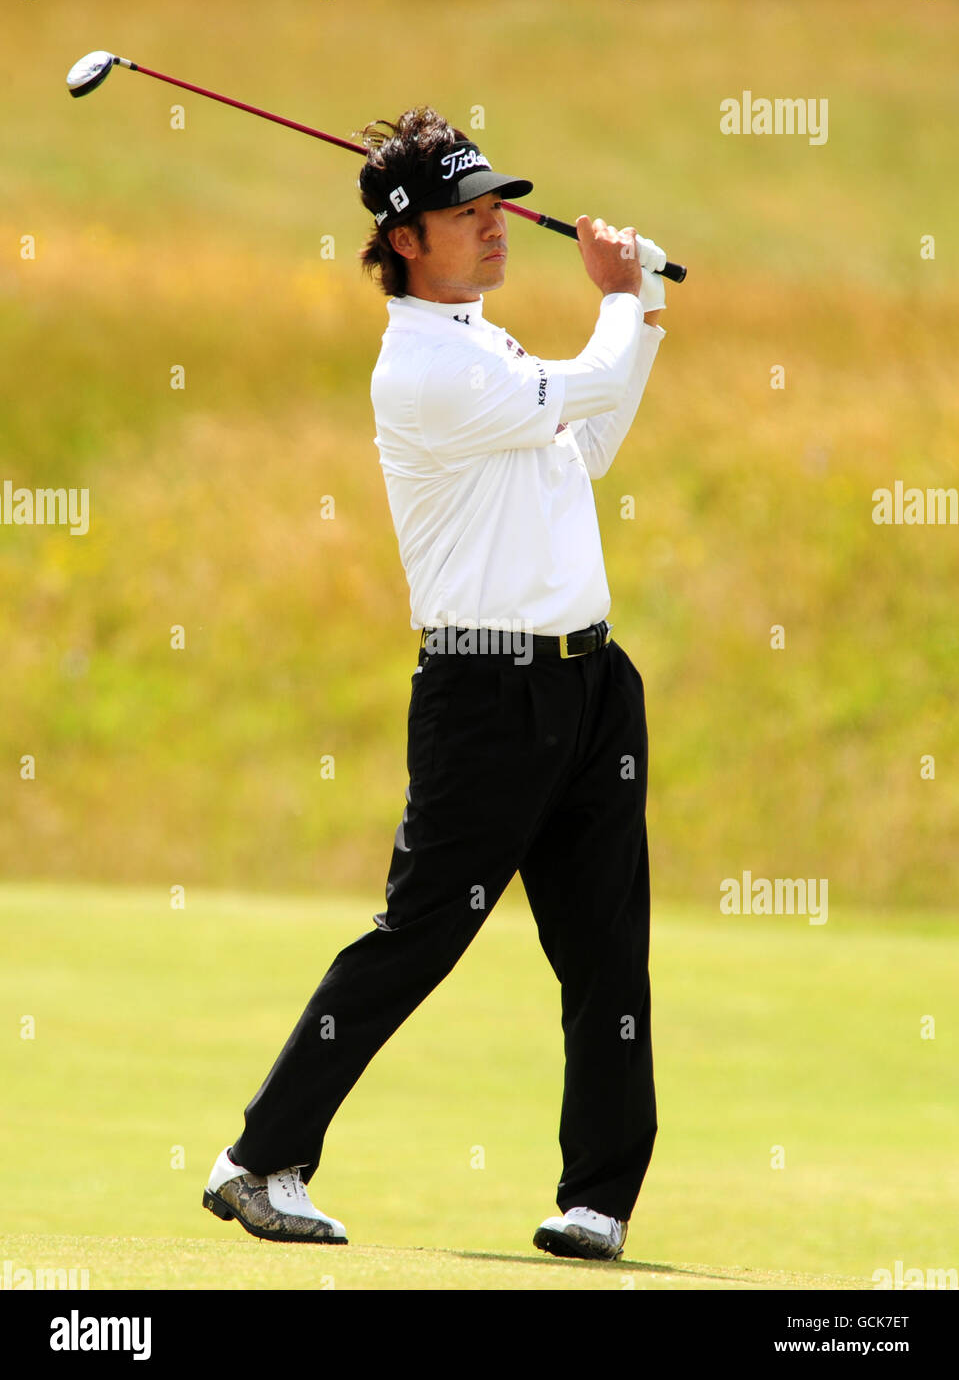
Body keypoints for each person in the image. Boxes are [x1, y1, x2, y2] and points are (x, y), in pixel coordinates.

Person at [203, 107, 668, 1263]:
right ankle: (259, 1158)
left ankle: (598, 1199)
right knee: (419, 934)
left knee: (605, 949)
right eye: (471, 214)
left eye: (500, 205)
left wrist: (643, 312)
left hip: (588, 684)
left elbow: (588, 441)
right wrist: (621, 296)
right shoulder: (422, 367)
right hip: (486, 700)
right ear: (405, 239)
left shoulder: (485, 344)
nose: (499, 227)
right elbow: (581, 394)